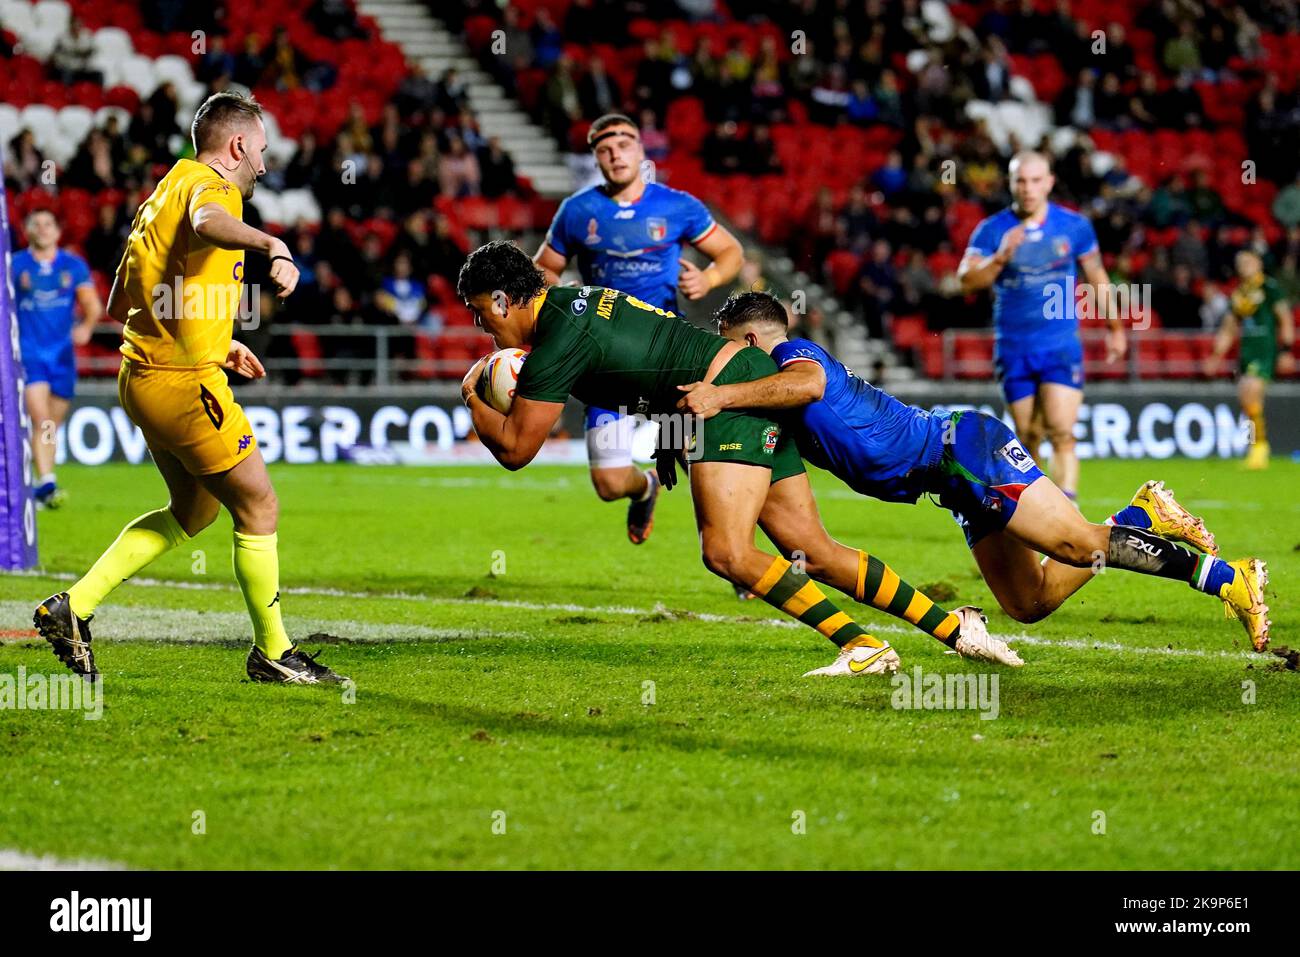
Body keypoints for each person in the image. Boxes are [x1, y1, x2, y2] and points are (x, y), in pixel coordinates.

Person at [457, 240, 1018, 677]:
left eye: (480, 313)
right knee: (812, 551)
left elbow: (516, 449)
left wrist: (472, 394)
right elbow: (652, 356)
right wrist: (672, 430)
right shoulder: (576, 303)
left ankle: (861, 645)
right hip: (737, 383)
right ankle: (956, 630)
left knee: (726, 551)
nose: (483, 327)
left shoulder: (557, 338)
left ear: (503, 300)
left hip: (727, 400)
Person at [677, 291, 1271, 653]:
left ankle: (1229, 578)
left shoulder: (793, 357)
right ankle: (1140, 514)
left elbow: (808, 385)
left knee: (1075, 544)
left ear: (750, 340)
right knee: (1029, 601)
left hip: (961, 449)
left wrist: (721, 395)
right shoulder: (770, 393)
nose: (723, 361)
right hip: (948, 483)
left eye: (728, 349)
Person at [33, 91, 346, 685]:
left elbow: (122, 301)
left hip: (142, 375)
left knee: (195, 510)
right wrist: (273, 245)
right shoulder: (213, 190)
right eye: (260, 150)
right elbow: (209, 222)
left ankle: (74, 607)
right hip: (182, 386)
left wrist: (214, 343)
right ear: (237, 146)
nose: (263, 164)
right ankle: (274, 651)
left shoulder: (163, 191)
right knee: (259, 506)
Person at [533, 113, 743, 551]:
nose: (615, 155)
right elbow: (543, 270)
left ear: (641, 151)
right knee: (610, 483)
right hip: (605, 363)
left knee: (694, 459)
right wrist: (565, 290)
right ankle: (645, 488)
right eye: (604, 149)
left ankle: (735, 555)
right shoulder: (577, 211)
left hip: (666, 358)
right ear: (596, 159)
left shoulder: (677, 206)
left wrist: (708, 279)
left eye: (624, 145)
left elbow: (730, 252)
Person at [958, 150, 1128, 503]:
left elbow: (1097, 276)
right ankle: (1037, 513)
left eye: (1035, 180)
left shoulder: (1074, 226)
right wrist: (1001, 257)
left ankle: (1066, 509)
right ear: (1010, 183)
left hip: (1060, 345)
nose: (1028, 188)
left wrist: (1115, 327)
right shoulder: (992, 230)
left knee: (1062, 432)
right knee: (1028, 436)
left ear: (1049, 182)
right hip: (1014, 347)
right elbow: (967, 282)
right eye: (1020, 181)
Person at [11, 209, 102, 507]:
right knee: (41, 419)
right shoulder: (15, 265)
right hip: (29, 354)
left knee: (51, 424)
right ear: (27, 230)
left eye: (48, 224)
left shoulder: (72, 265)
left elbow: (92, 304)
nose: (42, 229)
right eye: (36, 224)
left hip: (62, 357)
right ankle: (48, 482)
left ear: (58, 231)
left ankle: (42, 485)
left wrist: (86, 327)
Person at [1203, 249, 1295, 470]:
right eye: (1239, 262)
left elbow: (1285, 318)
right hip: (1247, 352)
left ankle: (1259, 448)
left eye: (1247, 261)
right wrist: (1216, 356)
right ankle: (1256, 446)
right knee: (1247, 401)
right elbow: (1228, 328)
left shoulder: (1269, 288)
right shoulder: (1239, 293)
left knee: (1250, 392)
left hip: (1265, 350)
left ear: (1258, 263)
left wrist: (1286, 350)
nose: (1243, 265)